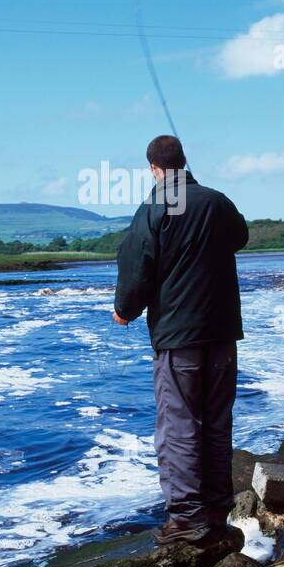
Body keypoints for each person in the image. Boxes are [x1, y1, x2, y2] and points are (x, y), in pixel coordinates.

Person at [113, 135, 249, 544]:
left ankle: (187, 519)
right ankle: (216, 511)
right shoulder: (217, 201)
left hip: (178, 338)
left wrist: (125, 310)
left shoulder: (154, 207)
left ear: (153, 168)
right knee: (216, 423)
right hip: (223, 336)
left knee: (180, 426)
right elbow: (239, 237)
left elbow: (137, 265)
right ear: (185, 163)